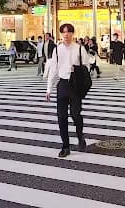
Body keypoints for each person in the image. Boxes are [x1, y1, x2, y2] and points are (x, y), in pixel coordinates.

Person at [45, 23, 88, 158]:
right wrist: (48, 89)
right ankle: (65, 146)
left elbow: (86, 68)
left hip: (75, 85)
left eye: (69, 32)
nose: (66, 34)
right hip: (63, 84)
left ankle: (80, 137)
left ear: (72, 34)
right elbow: (53, 70)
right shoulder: (57, 50)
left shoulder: (80, 49)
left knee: (75, 114)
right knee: (61, 116)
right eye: (63, 32)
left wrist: (78, 70)